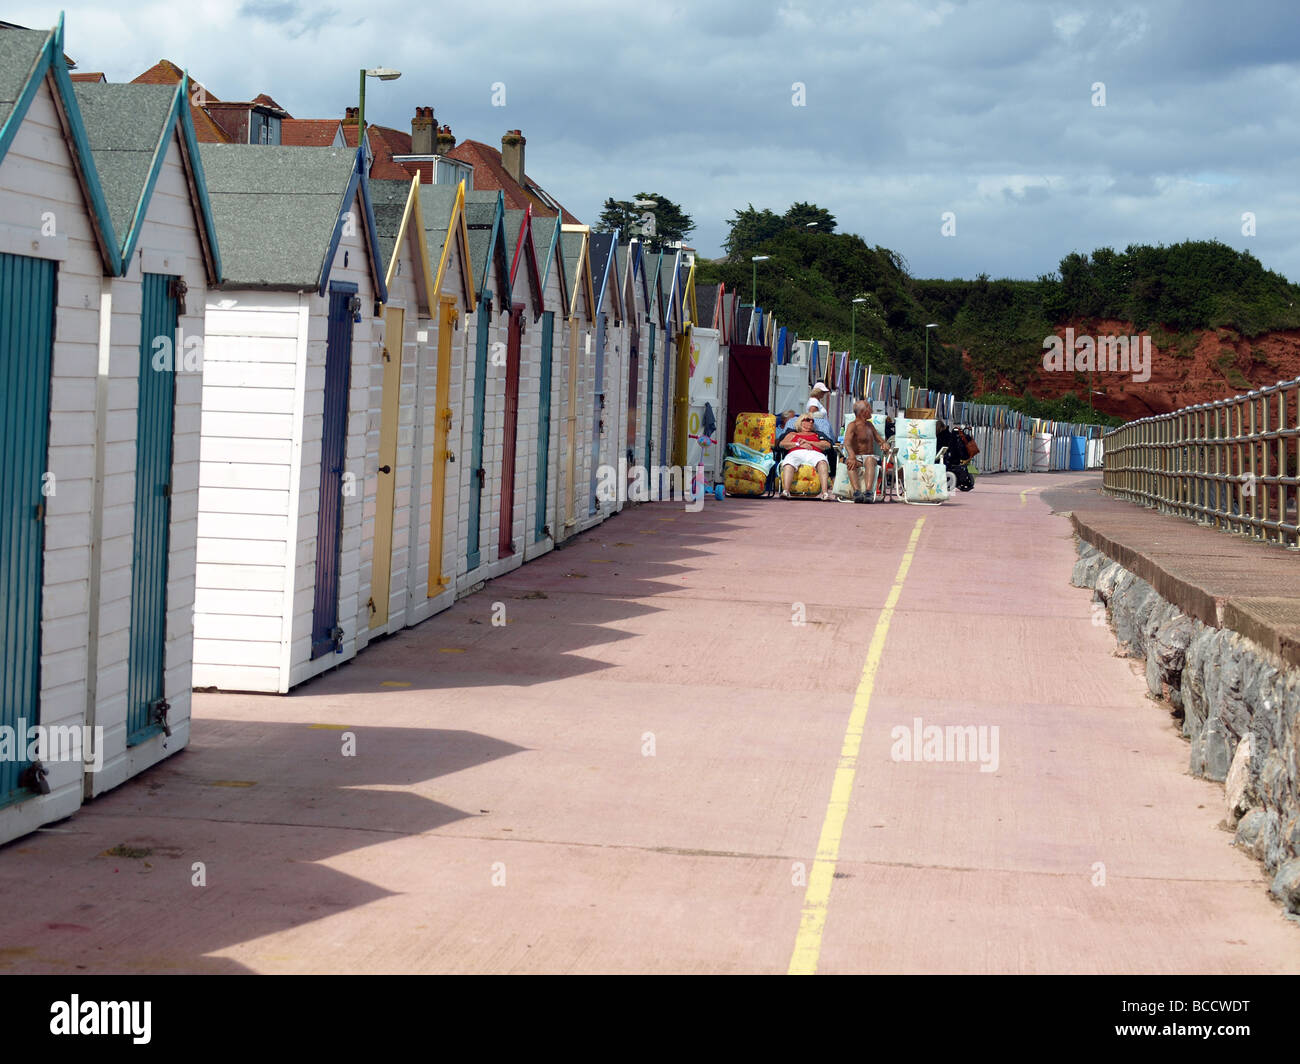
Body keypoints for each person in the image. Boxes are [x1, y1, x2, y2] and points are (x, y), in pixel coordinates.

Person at [777, 413, 834, 500]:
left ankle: (825, 493)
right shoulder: (792, 433)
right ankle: (786, 491)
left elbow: (827, 445)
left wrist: (809, 442)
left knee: (822, 462)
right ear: (801, 422)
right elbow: (782, 444)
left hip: (814, 453)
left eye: (812, 420)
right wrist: (798, 444)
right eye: (808, 419)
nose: (811, 422)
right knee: (789, 463)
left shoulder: (818, 434)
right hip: (796, 452)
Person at [842, 400, 886, 503]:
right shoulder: (852, 426)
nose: (871, 411)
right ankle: (857, 492)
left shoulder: (870, 425)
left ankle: (868, 492)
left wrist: (884, 444)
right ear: (863, 412)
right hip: (856, 457)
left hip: (869, 457)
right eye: (869, 408)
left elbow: (880, 440)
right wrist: (852, 456)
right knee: (850, 462)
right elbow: (847, 443)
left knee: (870, 459)